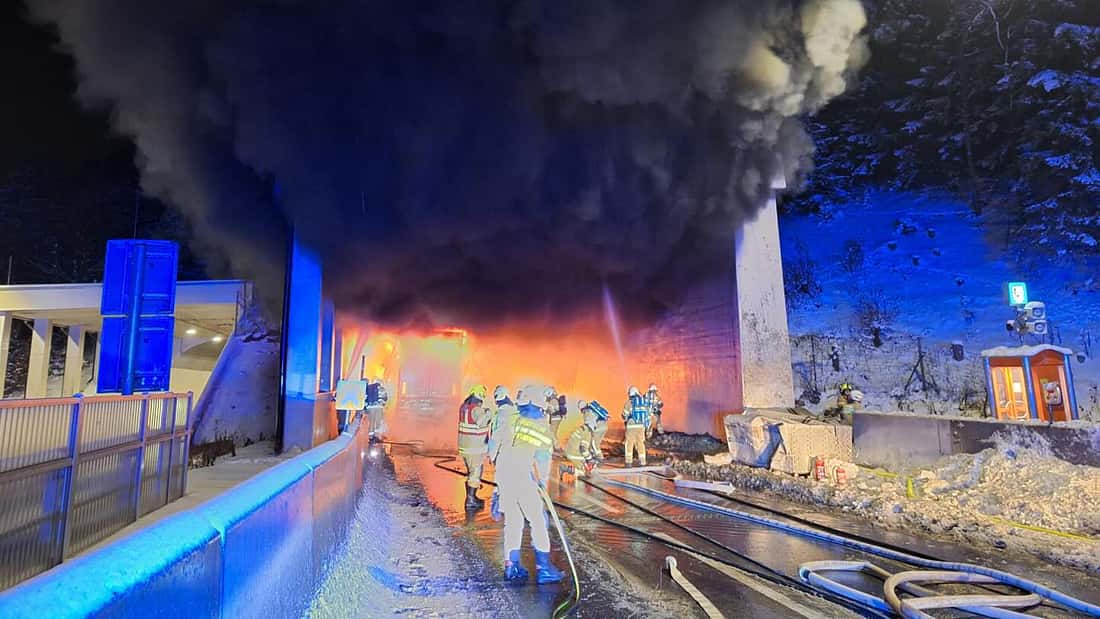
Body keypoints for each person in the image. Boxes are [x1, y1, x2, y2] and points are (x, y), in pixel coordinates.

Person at [487, 386, 564, 584]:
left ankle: (511, 567)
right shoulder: (540, 427)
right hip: (525, 481)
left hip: (505, 480)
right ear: (538, 404)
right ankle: (544, 569)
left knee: (512, 523)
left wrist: (497, 490)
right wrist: (542, 489)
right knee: (538, 522)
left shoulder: (509, 422)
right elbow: (542, 463)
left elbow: (495, 452)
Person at [457, 384, 492, 510]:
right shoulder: (476, 409)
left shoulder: (463, 407)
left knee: (471, 472)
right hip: (475, 448)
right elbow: (481, 421)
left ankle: (472, 497)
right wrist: (488, 413)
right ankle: (471, 500)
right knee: (475, 473)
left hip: (465, 447)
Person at [621, 386, 650, 466]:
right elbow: (648, 415)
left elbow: (624, 415)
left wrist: (625, 418)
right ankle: (643, 462)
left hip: (631, 426)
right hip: (641, 426)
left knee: (629, 443)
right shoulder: (644, 403)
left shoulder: (629, 403)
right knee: (640, 443)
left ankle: (628, 462)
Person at [545, 386, 566, 452]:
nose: (546, 398)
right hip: (556, 418)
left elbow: (550, 410)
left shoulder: (553, 400)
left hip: (555, 418)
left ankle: (557, 448)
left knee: (551, 433)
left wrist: (544, 411)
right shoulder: (555, 400)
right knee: (552, 433)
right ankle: (554, 447)